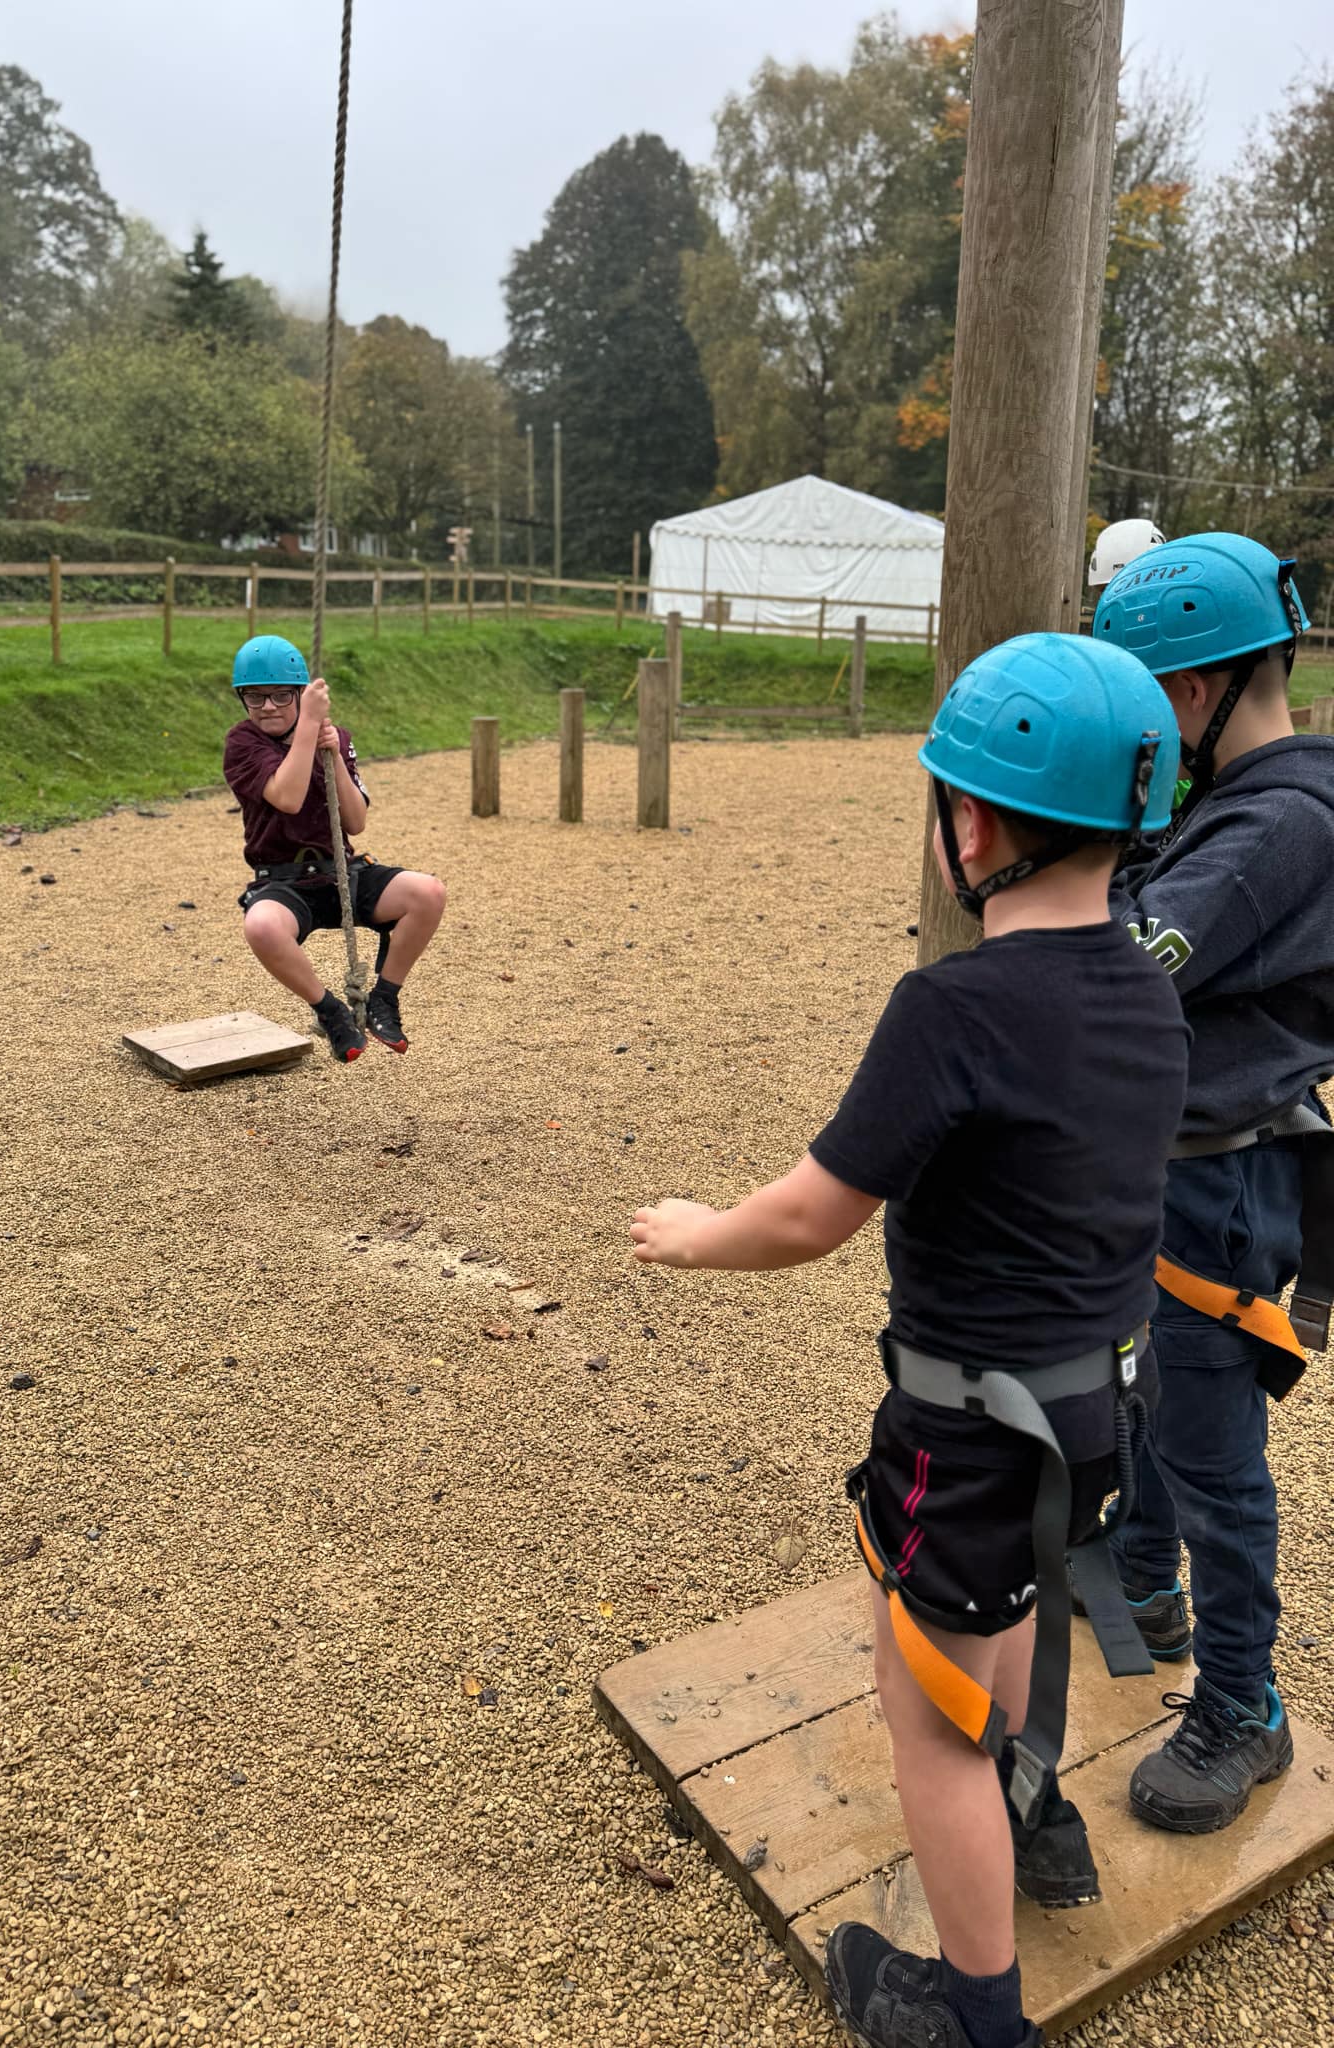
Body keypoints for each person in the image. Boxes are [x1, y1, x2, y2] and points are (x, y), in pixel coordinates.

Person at [632, 632, 1187, 2048]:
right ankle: (1031, 1819)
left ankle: (974, 2012)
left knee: (927, 1716)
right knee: (1006, 1614)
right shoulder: (1149, 990)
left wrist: (698, 1232)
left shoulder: (953, 1009)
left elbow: (811, 1215)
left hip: (972, 1432)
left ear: (972, 827)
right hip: (1096, 1412)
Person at [1081, 533, 1334, 1834]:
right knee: (1151, 1390)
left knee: (1215, 1449)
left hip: (1222, 1180)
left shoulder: (1276, 825)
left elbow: (1130, 963)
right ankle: (1144, 1578)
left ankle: (1245, 1702)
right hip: (1181, 1162)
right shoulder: (1233, 802)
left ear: (1192, 690)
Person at [222, 634, 446, 1062]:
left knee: (428, 893)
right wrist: (307, 727)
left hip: (341, 871)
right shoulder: (243, 743)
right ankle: (330, 1011)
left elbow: (356, 821)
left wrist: (335, 756)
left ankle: (384, 999)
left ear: (299, 694)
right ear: (242, 699)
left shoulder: (335, 738)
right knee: (261, 927)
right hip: (284, 881)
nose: (267, 706)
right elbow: (287, 797)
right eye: (254, 696)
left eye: (280, 695)